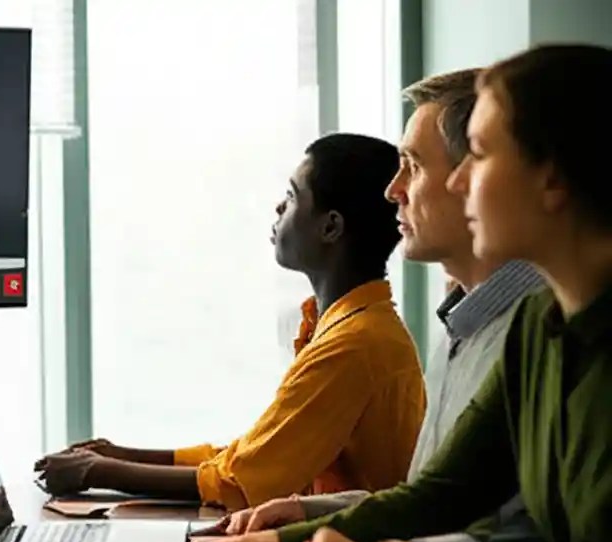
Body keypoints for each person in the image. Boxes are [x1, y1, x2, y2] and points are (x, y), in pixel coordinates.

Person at [223, 44, 612, 542]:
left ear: (554, 179)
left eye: (479, 157)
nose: (457, 181)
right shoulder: (542, 328)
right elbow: (524, 535)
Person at [171, 69, 548, 542]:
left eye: (414, 166)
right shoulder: (467, 328)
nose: (393, 191)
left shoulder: (530, 335)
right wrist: (317, 518)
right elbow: (437, 504)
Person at [36, 134, 425, 511]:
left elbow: (242, 480)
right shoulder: (349, 326)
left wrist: (98, 471)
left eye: (291, 197)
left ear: (330, 227)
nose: (278, 208)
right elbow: (255, 454)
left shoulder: (356, 344)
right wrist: (119, 454)